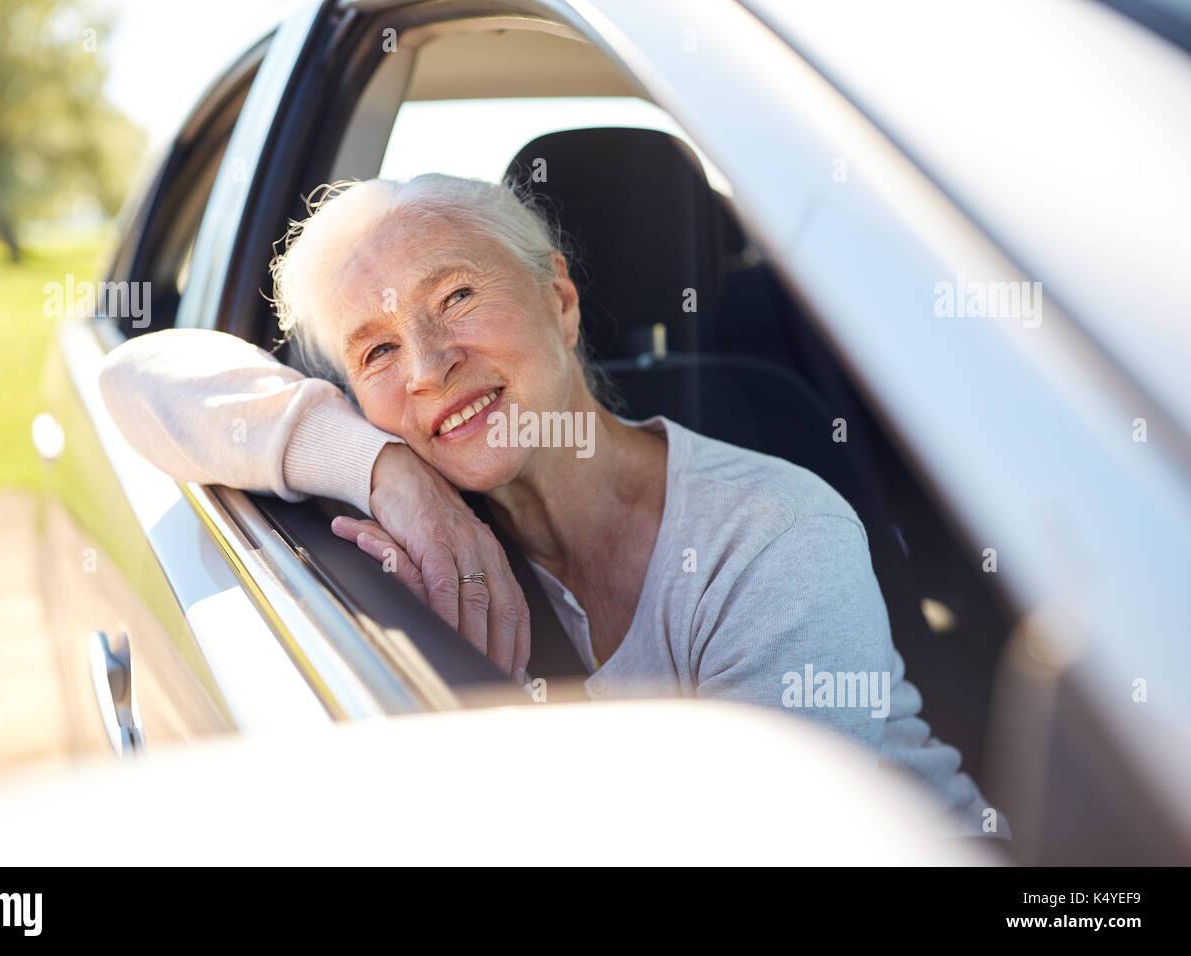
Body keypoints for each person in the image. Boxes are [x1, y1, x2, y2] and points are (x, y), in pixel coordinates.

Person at [99, 173, 1008, 839]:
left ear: (560, 301)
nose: (426, 366)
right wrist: (389, 475)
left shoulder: (772, 537)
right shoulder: (411, 510)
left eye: (455, 296)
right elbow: (135, 376)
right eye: (374, 352)